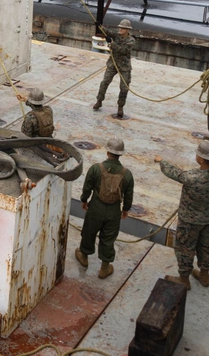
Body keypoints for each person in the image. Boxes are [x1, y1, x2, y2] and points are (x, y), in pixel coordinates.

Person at [155, 140, 209, 290]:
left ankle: (183, 279)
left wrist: (161, 161)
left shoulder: (192, 177)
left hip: (189, 221)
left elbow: (174, 173)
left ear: (200, 159)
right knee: (204, 245)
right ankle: (204, 275)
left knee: (184, 248)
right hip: (207, 218)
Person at [75, 137, 134, 279]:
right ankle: (104, 268)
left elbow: (87, 187)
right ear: (120, 154)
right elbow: (128, 195)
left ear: (108, 152)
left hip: (96, 207)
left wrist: (84, 200)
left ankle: (84, 256)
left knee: (89, 231)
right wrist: (125, 209)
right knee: (108, 238)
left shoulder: (96, 168)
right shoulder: (127, 174)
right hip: (114, 211)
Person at [93, 19, 135, 119]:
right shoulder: (117, 35)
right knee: (104, 82)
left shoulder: (131, 40)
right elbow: (108, 32)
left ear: (127, 30)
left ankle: (120, 107)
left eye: (122, 28)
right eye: (119, 27)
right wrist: (100, 27)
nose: (120, 29)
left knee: (124, 87)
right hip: (113, 63)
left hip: (124, 66)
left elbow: (123, 50)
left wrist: (112, 43)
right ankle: (99, 101)